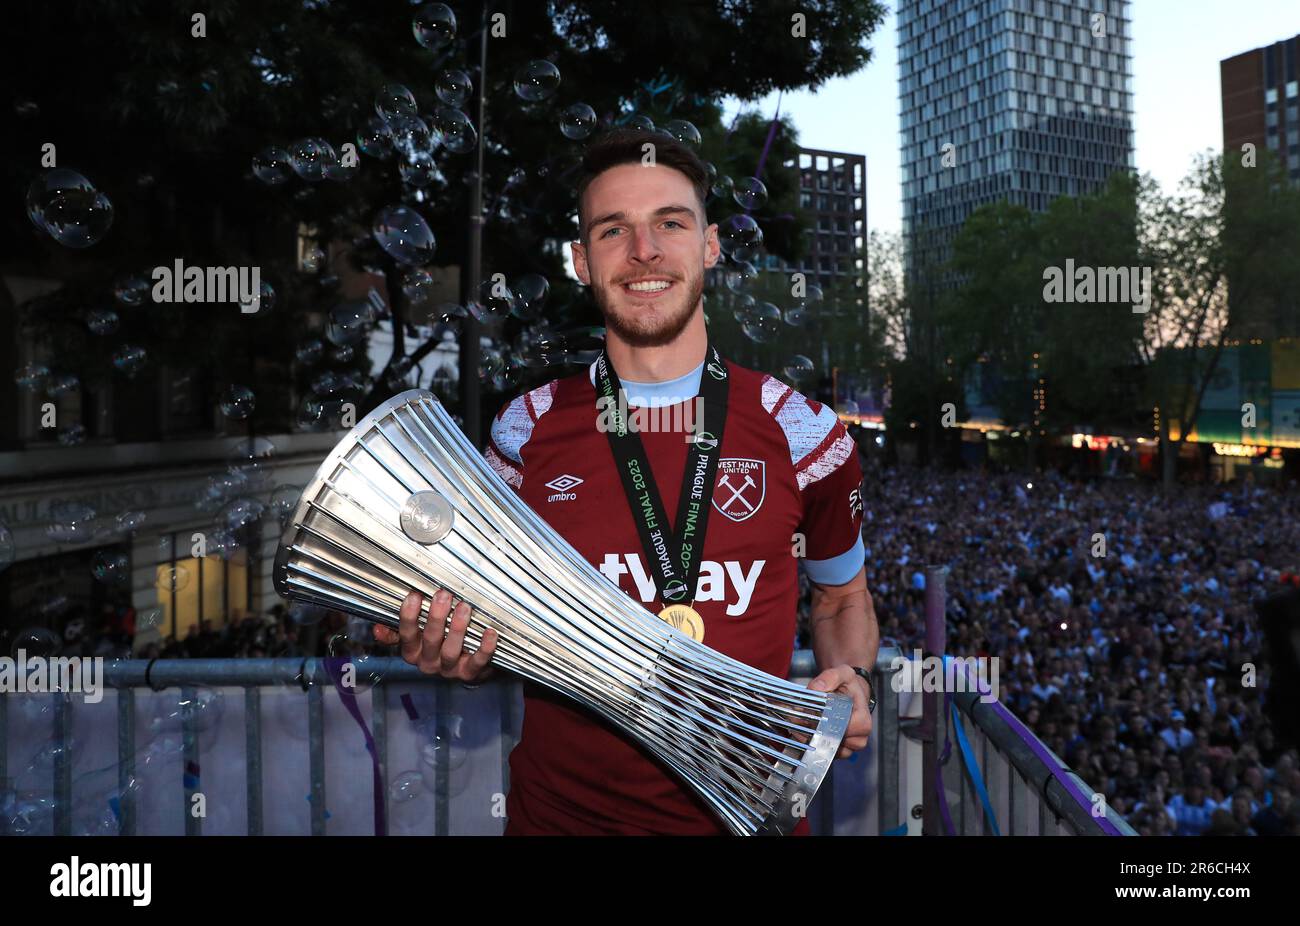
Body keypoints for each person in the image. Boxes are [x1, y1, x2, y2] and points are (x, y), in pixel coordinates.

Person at [374, 127, 878, 835]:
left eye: (670, 223)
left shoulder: (806, 433)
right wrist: (459, 651)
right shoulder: (524, 431)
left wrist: (852, 679)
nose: (644, 251)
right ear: (582, 261)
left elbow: (841, 598)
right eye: (614, 231)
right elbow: (490, 622)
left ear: (710, 245)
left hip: (750, 822)